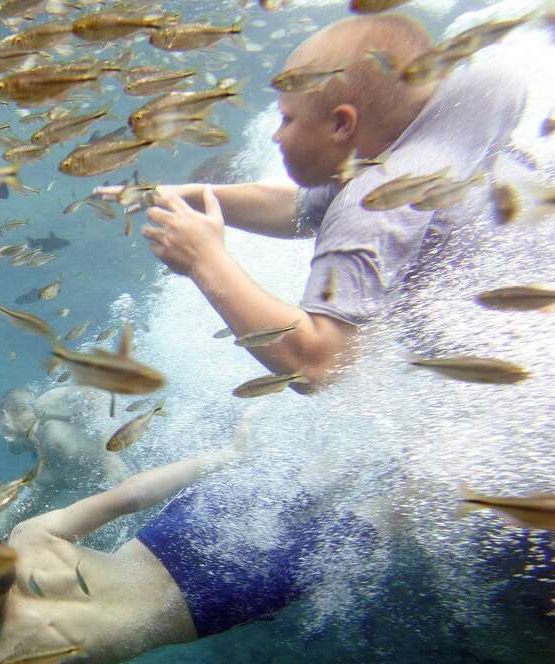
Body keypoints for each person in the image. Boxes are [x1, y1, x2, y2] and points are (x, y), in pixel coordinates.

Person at [97, 13, 529, 386]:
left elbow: (319, 364)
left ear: (342, 126)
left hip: (497, 377)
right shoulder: (468, 99)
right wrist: (187, 195)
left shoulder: (374, 202)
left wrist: (203, 260)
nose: (275, 133)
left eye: (287, 118)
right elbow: (301, 208)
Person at [0, 423, 372, 664]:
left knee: (364, 531)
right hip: (176, 538)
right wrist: (224, 456)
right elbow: (129, 496)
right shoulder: (29, 535)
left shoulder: (10, 653)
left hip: (212, 600)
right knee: (319, 481)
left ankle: (424, 483)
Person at [0, 386, 128, 535]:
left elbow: (97, 393)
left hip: (127, 467)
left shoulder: (46, 404)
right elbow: (11, 514)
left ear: (5, 417)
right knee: (5, 522)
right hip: (116, 490)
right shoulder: (47, 460)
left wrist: (108, 456)